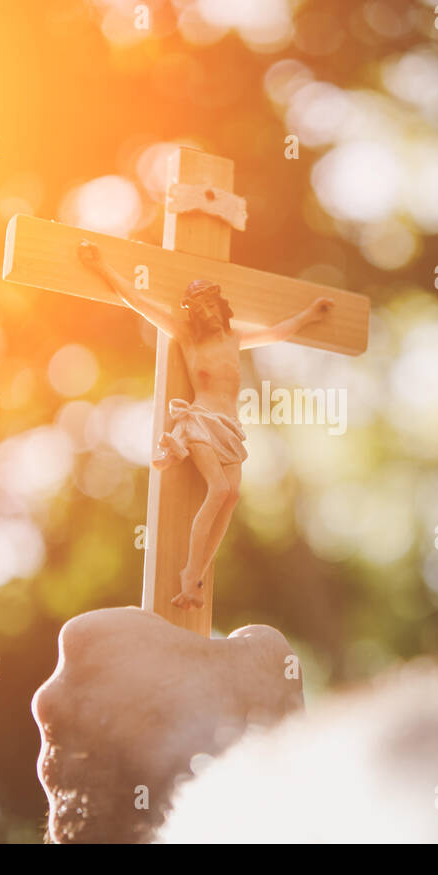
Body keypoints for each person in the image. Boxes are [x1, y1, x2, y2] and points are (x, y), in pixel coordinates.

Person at [78, 240, 332, 609]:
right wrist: (103, 267)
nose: (209, 315)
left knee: (231, 497)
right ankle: (188, 572)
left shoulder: (235, 338)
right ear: (193, 315)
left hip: (229, 427)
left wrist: (311, 314)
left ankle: (196, 577)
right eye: (201, 310)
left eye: (213, 307)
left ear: (221, 308)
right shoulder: (187, 339)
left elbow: (277, 332)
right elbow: (139, 302)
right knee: (217, 489)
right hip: (199, 423)